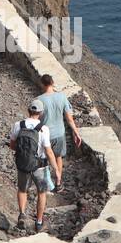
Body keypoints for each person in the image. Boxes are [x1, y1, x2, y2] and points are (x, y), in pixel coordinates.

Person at [9, 99, 59, 232]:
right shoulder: (43, 129)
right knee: (41, 193)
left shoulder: (18, 125)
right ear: (41, 113)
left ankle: (22, 214)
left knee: (22, 190)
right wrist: (56, 169)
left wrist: (25, 153)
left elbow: (12, 145)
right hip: (40, 166)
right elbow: (48, 151)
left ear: (28, 110)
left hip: (23, 164)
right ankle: (39, 222)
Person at [35, 74, 81, 189]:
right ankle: (58, 183)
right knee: (58, 157)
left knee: (44, 159)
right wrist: (76, 132)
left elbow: (36, 120)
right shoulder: (62, 96)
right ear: (52, 82)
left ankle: (46, 184)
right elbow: (69, 118)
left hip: (45, 134)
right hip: (59, 134)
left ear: (42, 84)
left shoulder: (39, 100)